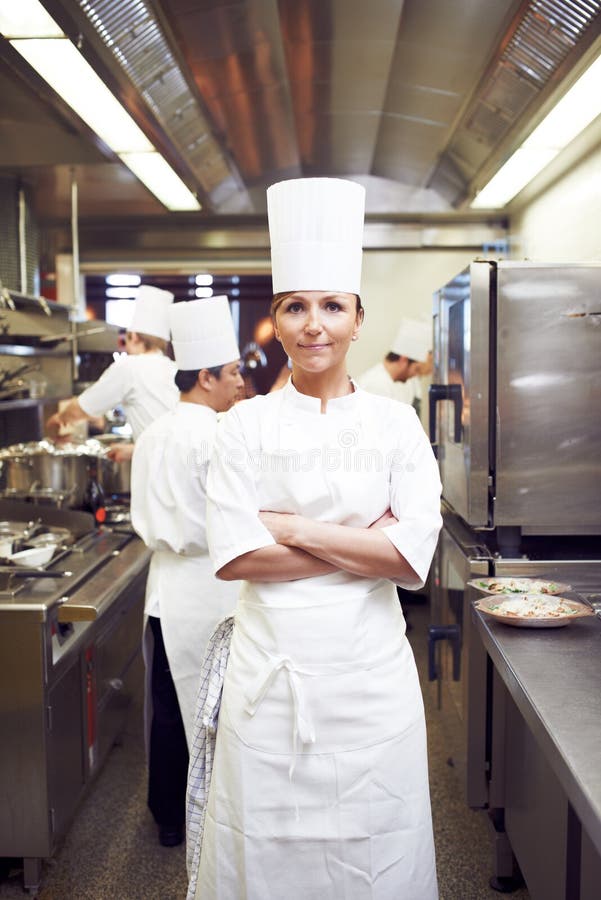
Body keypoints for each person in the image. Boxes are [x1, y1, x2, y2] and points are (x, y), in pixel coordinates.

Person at [186, 177, 442, 899]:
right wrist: (361, 542)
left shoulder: (394, 424)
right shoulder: (244, 426)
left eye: (332, 306)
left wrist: (291, 527)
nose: (314, 325)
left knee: (378, 849)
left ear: (358, 320)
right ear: (276, 321)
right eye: (295, 307)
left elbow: (409, 558)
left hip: (371, 682)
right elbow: (237, 555)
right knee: (264, 853)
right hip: (270, 685)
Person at [130, 296, 244, 848]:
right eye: (234, 373)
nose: (240, 382)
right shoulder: (218, 436)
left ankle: (169, 818)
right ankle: (214, 813)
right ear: (206, 377)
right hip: (212, 586)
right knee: (212, 706)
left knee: (168, 708)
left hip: (165, 589)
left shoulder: (152, 433)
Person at [46, 285, 178, 452]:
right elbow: (164, 437)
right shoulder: (172, 367)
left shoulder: (130, 367)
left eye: (125, 340)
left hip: (160, 465)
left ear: (134, 337)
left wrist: (60, 419)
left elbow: (80, 409)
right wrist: (130, 451)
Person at [357, 318, 431, 412]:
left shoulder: (399, 383)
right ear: (403, 360)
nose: (415, 374)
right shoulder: (376, 384)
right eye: (416, 369)